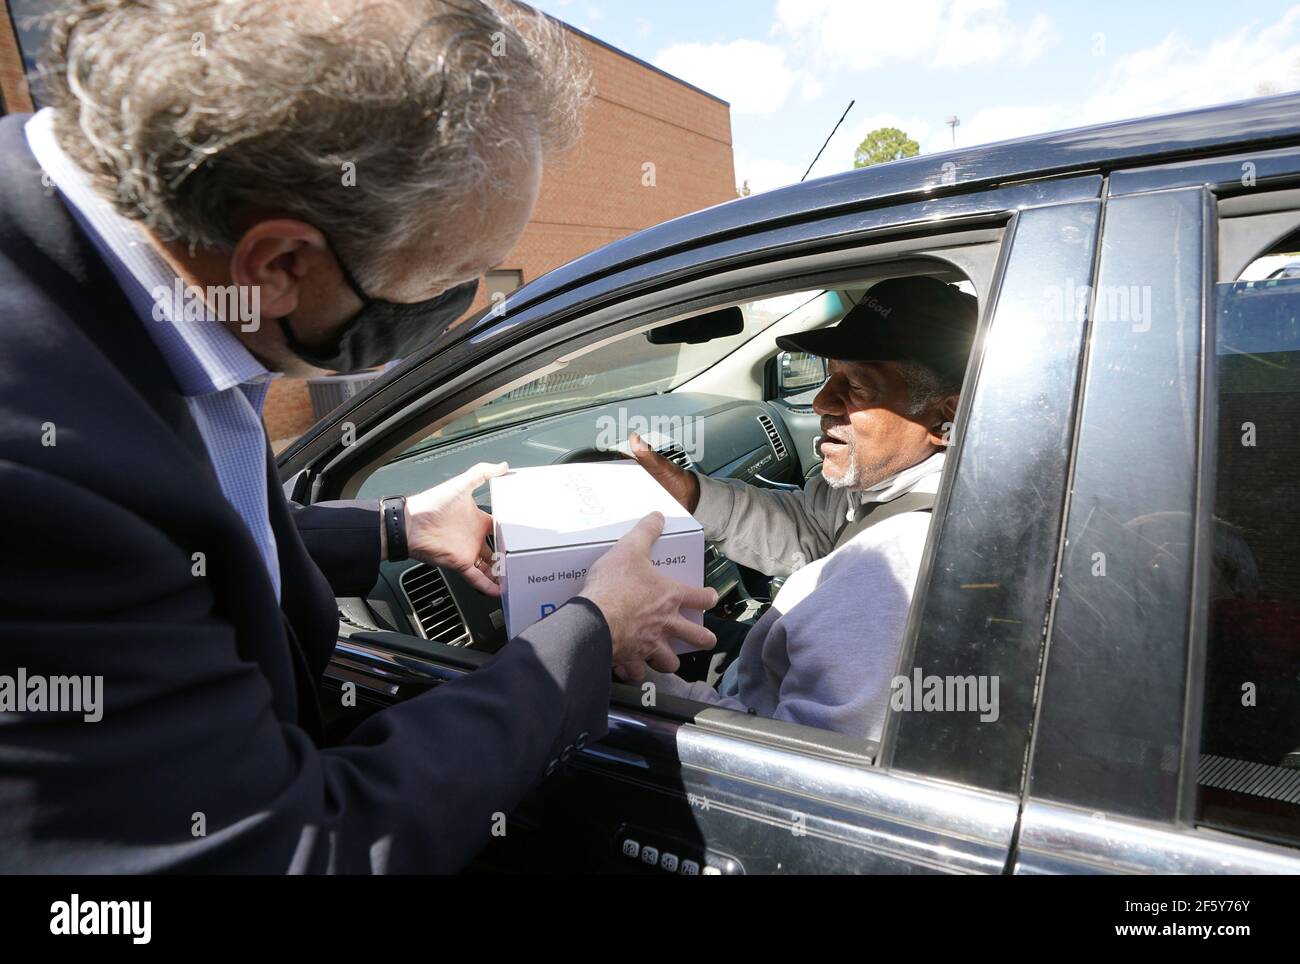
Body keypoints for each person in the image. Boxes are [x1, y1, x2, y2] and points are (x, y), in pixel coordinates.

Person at [0, 0, 713, 873]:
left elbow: (176, 542)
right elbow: (293, 852)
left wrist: (397, 526)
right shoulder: (32, 459)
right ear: (281, 265)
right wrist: (592, 628)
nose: (469, 308)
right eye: (454, 278)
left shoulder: (136, 295)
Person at [630, 277, 976, 740]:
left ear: (943, 419)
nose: (820, 403)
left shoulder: (894, 567)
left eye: (855, 388)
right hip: (762, 666)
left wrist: (637, 676)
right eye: (828, 375)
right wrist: (688, 493)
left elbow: (789, 757)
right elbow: (812, 530)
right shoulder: (891, 488)